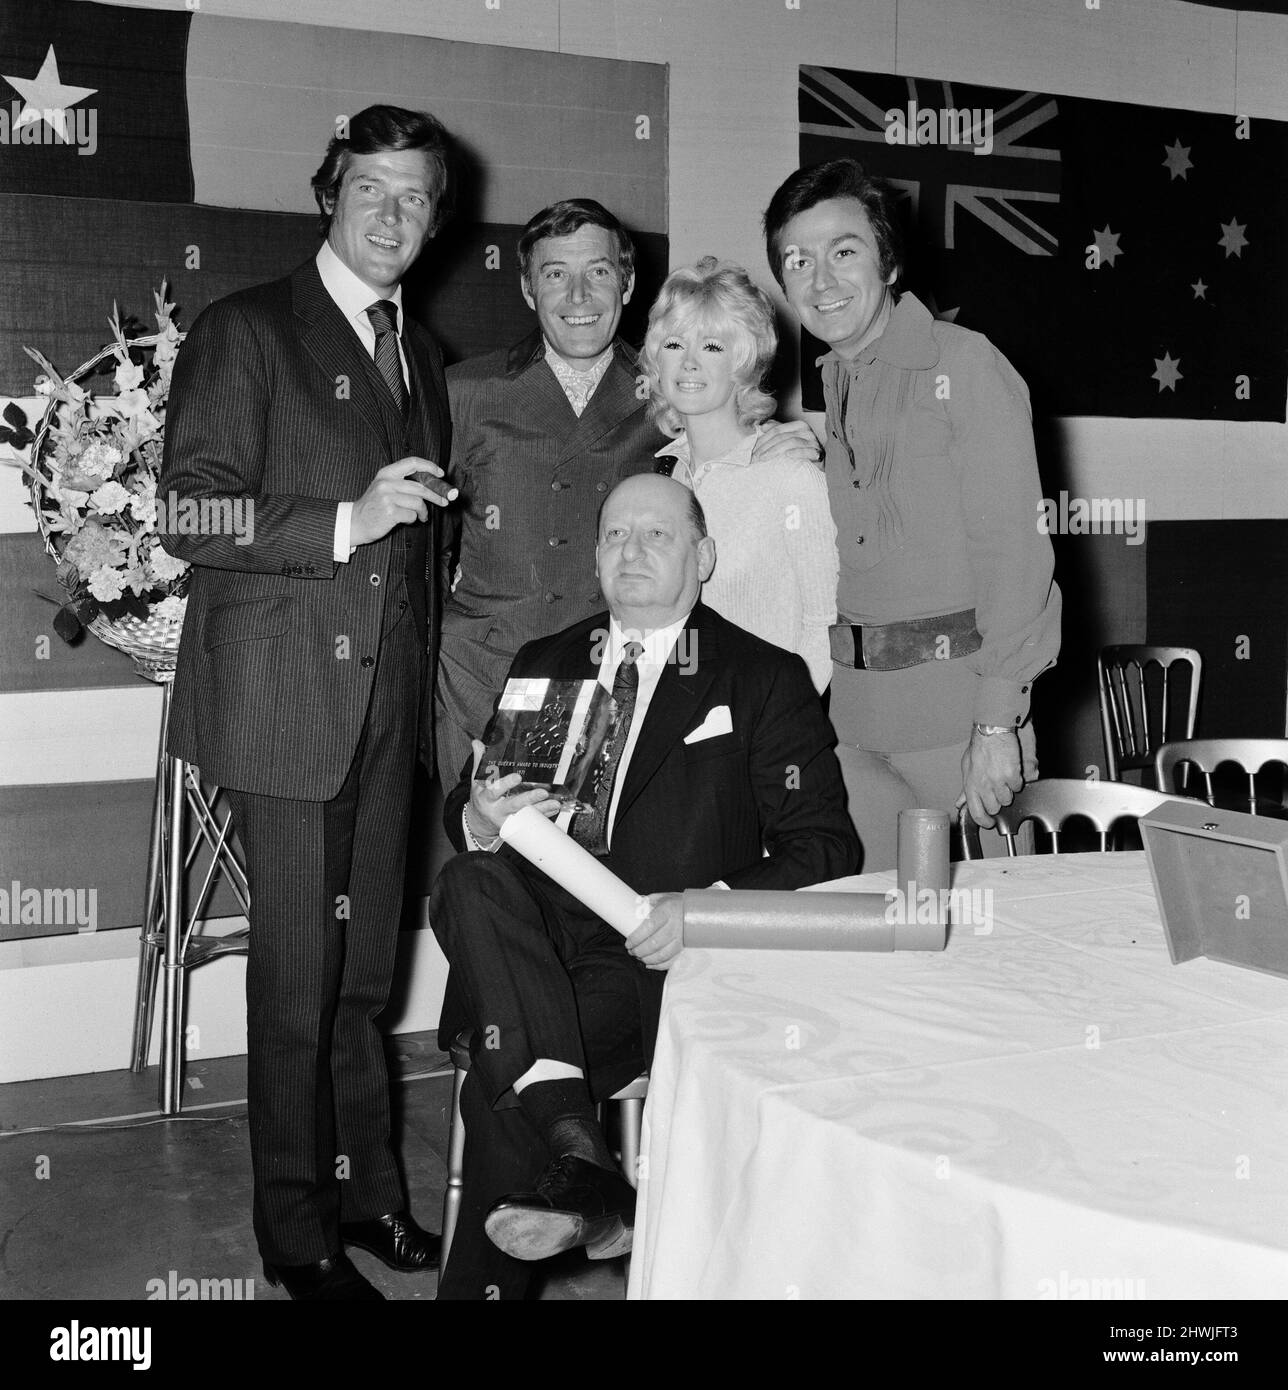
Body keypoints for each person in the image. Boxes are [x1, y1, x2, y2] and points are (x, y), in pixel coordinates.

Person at [429, 473, 860, 1299]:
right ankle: (587, 1163)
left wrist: (704, 911)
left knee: (505, 1078)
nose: (631, 550)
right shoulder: (546, 661)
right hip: (527, 942)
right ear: (594, 557)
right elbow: (470, 808)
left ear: (703, 557)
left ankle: (567, 1155)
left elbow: (827, 845)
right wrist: (480, 818)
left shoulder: (761, 677)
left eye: (656, 535)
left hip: (648, 957)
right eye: (615, 535)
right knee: (467, 880)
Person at [158, 105, 455, 1300]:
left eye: (416, 197)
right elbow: (191, 513)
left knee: (366, 986)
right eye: (371, 189)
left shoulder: (415, 350)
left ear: (438, 218)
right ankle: (295, 1237)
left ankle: (371, 1195)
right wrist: (346, 520)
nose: (392, 214)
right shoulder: (246, 329)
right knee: (294, 988)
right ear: (329, 193)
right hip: (286, 713)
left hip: (387, 718)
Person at [435, 199, 822, 783]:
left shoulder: (660, 393)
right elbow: (421, 550)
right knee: (488, 860)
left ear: (627, 281)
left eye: (598, 272)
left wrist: (794, 443)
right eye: (555, 274)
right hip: (484, 678)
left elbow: (727, 423)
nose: (578, 297)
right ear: (526, 287)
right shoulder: (465, 391)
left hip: (620, 683)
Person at [763, 158, 1061, 868]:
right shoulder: (832, 384)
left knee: (994, 950)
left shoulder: (967, 365)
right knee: (886, 952)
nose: (820, 280)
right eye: (797, 261)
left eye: (844, 252)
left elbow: (1015, 554)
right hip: (855, 728)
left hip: (959, 727)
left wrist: (995, 726)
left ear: (888, 261)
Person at [643, 256, 837, 693]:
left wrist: (779, 720)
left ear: (744, 360)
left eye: (712, 347)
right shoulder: (662, 476)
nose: (689, 363)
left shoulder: (791, 474)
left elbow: (826, 624)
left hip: (761, 731)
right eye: (674, 345)